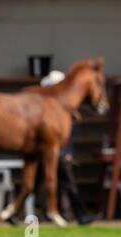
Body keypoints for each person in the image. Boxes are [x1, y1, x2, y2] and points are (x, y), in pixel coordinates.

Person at [34, 69, 97, 225]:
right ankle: (74, 214)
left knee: (58, 183)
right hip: (52, 151)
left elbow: (68, 134)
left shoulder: (64, 109)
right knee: (52, 182)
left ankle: (71, 213)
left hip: (59, 151)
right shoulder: (50, 107)